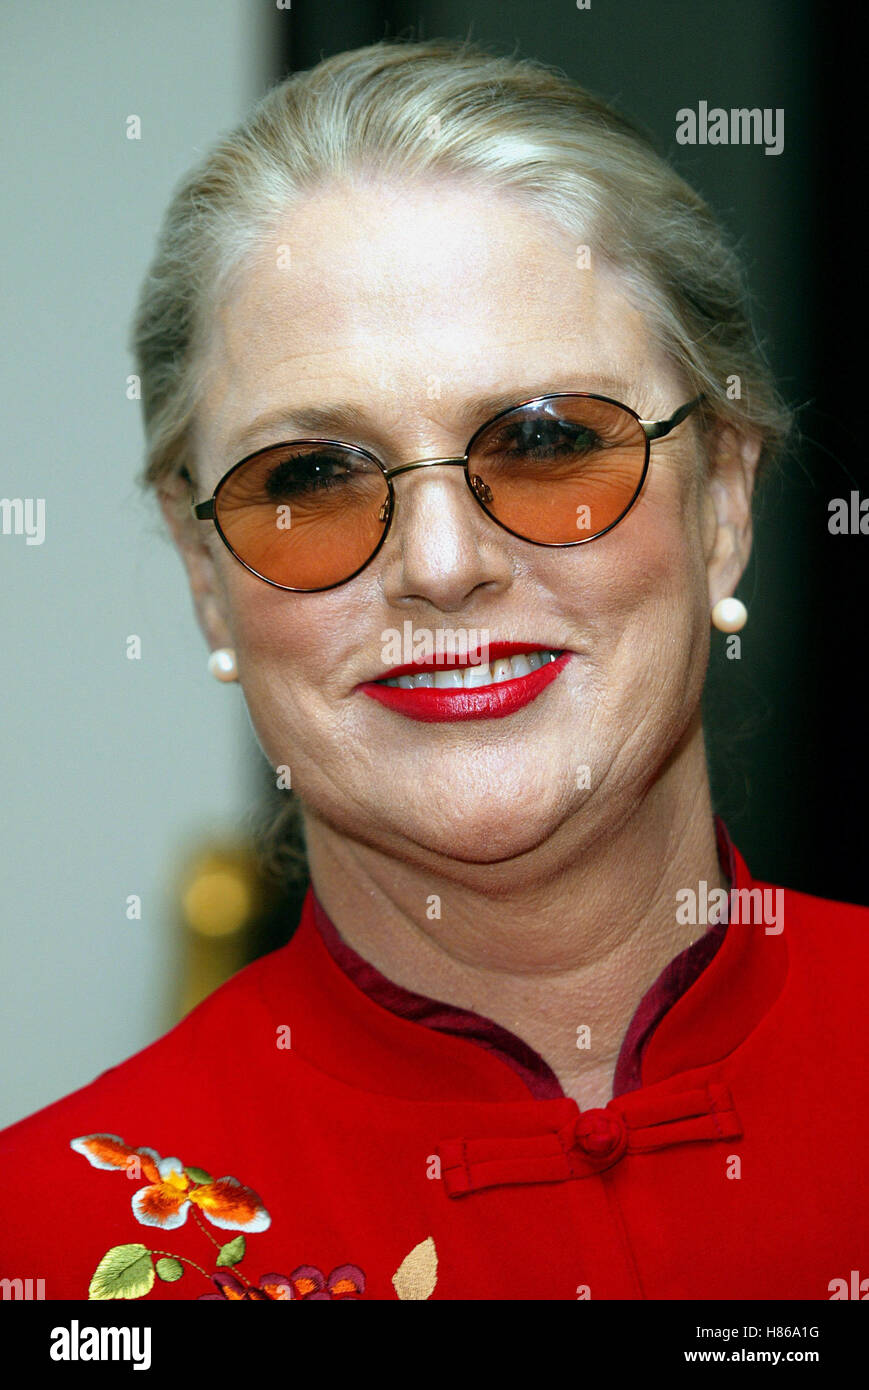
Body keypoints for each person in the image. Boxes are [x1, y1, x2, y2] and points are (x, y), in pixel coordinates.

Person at [1, 36, 866, 1303]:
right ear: (206, 581)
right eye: (308, 476)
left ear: (722, 501)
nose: (441, 563)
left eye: (544, 440)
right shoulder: (43, 1253)